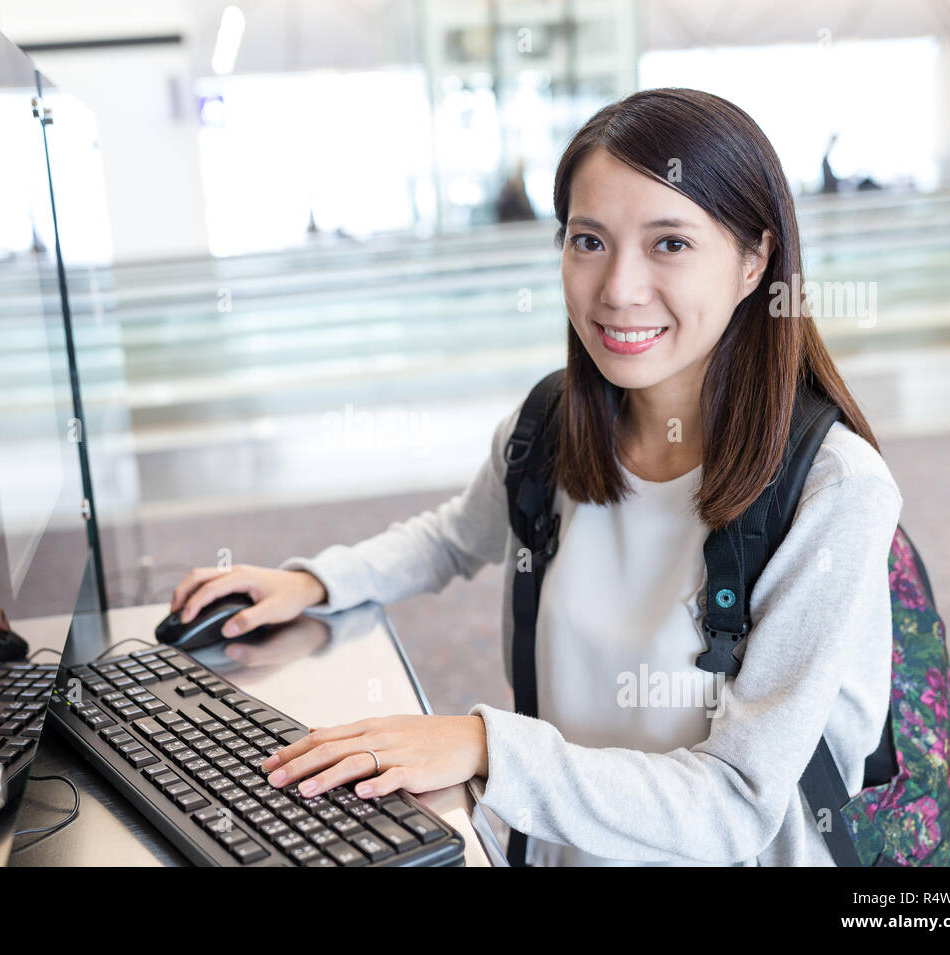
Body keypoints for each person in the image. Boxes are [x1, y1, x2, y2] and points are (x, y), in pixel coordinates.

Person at [168, 88, 901, 866]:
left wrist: (489, 747)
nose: (618, 288)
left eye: (670, 244)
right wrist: (316, 582)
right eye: (589, 241)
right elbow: (455, 537)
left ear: (755, 260)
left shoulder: (833, 489)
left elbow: (732, 807)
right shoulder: (552, 425)